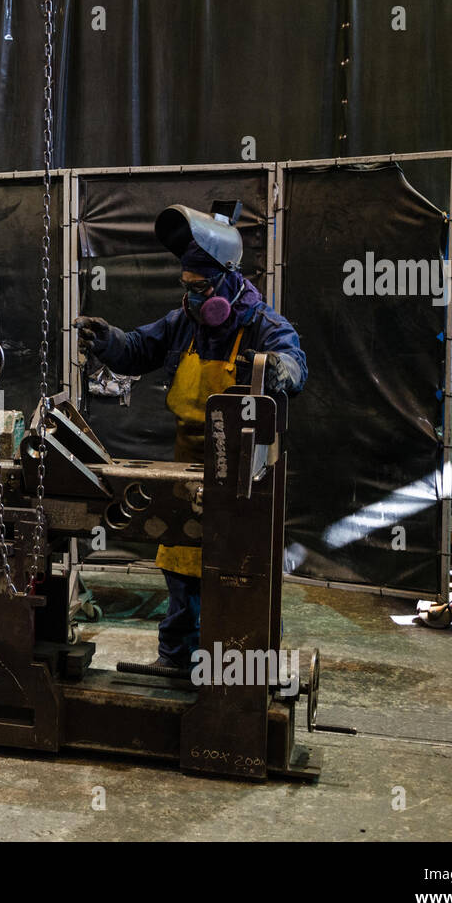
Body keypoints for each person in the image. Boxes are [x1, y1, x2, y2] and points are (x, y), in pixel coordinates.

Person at [74, 203, 307, 670]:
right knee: (181, 565)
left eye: (199, 290)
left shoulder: (264, 326)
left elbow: (295, 365)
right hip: (187, 464)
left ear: (225, 281)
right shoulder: (185, 322)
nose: (192, 300)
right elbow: (140, 348)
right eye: (186, 289)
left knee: (241, 572)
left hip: (246, 471)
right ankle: (177, 661)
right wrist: (109, 341)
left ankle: (242, 666)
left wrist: (280, 370)